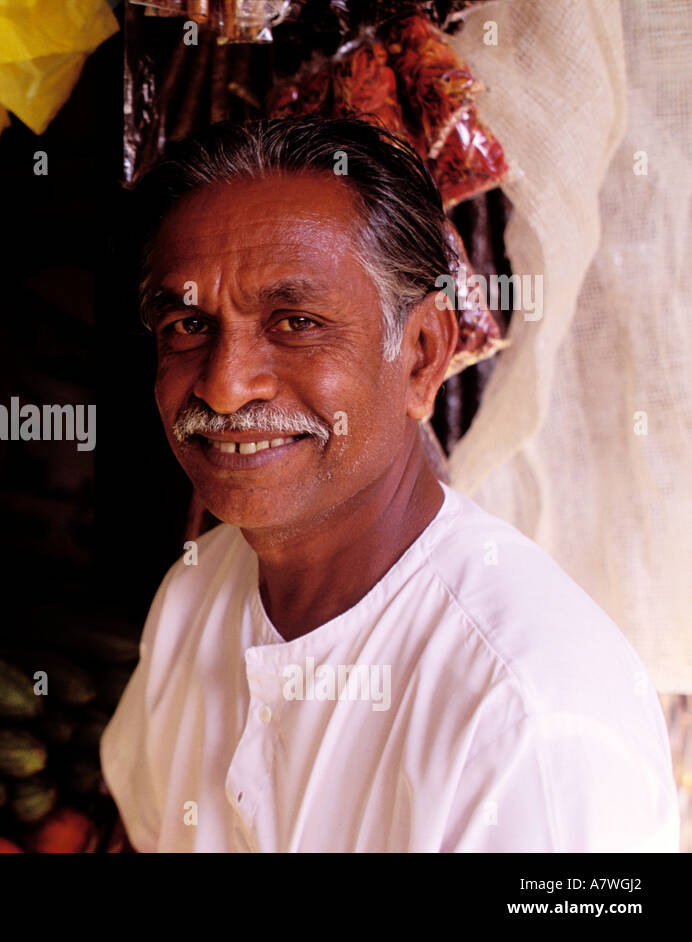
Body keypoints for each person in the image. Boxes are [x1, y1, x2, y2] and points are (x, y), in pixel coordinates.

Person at [100, 117, 679, 852]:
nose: (222, 385)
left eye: (296, 321)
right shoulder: (196, 596)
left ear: (422, 356)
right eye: (187, 325)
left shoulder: (529, 713)